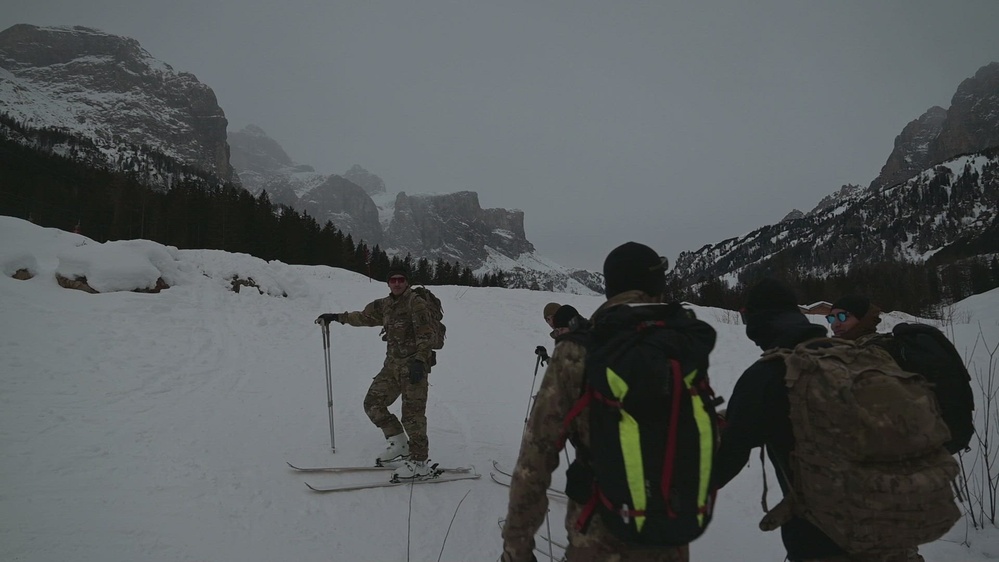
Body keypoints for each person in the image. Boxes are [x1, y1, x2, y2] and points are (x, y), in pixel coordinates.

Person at [501, 242, 716, 562]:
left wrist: (516, 549)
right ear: (657, 286)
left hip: (600, 536)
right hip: (671, 534)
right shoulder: (681, 345)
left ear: (610, 288)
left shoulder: (581, 349)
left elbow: (536, 459)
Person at [714, 279, 927, 562]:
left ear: (756, 319)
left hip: (824, 545)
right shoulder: (857, 355)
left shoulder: (765, 375)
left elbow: (724, 461)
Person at [315, 266, 437, 480]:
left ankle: (419, 462)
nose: (397, 283)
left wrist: (420, 362)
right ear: (388, 282)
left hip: (413, 367)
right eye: (393, 280)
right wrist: (336, 317)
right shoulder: (385, 305)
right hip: (391, 366)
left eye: (401, 279)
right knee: (372, 403)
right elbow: (363, 317)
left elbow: (426, 335)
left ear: (406, 282)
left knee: (412, 416)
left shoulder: (415, 302)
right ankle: (400, 444)